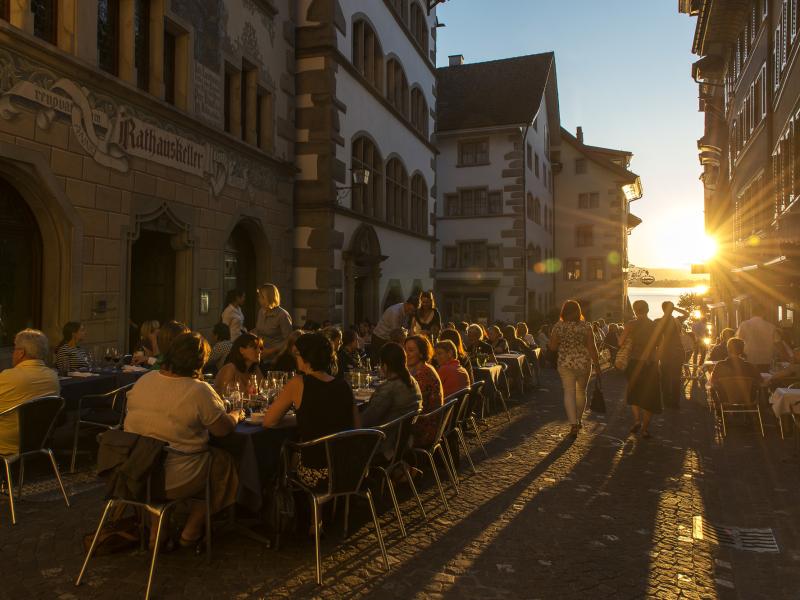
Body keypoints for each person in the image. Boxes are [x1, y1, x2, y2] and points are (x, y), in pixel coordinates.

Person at [124, 332, 242, 548]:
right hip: (177, 476)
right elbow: (222, 430)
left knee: (160, 453)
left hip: (136, 471)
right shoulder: (199, 390)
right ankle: (192, 530)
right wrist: (236, 415)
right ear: (200, 362)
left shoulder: (144, 380)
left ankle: (158, 531)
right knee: (223, 463)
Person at [262, 333, 357, 490]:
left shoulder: (298, 383)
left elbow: (269, 421)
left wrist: (297, 418)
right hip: (349, 469)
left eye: (297, 354)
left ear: (305, 357)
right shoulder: (344, 385)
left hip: (317, 473)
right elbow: (356, 427)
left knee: (279, 458)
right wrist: (302, 417)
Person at [0, 329, 60, 455]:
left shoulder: (8, 377)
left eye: (14, 349)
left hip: (7, 440)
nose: (13, 353)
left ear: (21, 352)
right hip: (37, 439)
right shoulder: (53, 377)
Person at [548, 300, 600, 437]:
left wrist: (560, 342)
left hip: (565, 363)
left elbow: (552, 347)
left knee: (569, 392)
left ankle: (573, 424)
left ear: (563, 312)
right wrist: (598, 365)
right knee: (581, 392)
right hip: (583, 362)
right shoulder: (586, 326)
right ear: (579, 311)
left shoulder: (558, 327)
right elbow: (592, 347)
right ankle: (579, 419)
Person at [361, 342, 422, 458]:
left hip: (383, 447)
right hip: (403, 443)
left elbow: (365, 422)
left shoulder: (389, 389)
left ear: (385, 366)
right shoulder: (412, 382)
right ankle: (398, 471)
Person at [619, 300, 661, 438]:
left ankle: (637, 420)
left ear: (635, 310)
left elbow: (620, 342)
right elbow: (660, 344)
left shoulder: (631, 325)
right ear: (647, 309)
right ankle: (644, 429)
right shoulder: (655, 325)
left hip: (634, 362)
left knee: (634, 392)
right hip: (650, 363)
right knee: (650, 397)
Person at [404, 335, 444, 449]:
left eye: (411, 350)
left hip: (423, 430)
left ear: (421, 354)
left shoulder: (423, 375)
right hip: (427, 424)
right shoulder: (425, 368)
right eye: (405, 350)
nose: (406, 354)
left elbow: (408, 406)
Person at [654, 301, 689, 410]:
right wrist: (675, 308)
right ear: (672, 309)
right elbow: (687, 313)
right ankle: (675, 402)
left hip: (665, 352)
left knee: (665, 378)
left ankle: (666, 401)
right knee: (676, 378)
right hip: (678, 352)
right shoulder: (677, 320)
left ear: (662, 308)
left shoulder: (658, 321)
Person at [371, 295, 421, 362]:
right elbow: (396, 333)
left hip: (388, 338)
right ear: (407, 304)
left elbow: (403, 329)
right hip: (379, 338)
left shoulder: (406, 311)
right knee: (379, 362)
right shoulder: (395, 312)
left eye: (413, 311)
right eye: (411, 310)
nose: (412, 312)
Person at [254, 283, 293, 360]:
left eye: (261, 297)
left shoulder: (282, 315)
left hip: (276, 357)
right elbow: (259, 331)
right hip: (261, 355)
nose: (259, 300)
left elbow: (289, 340)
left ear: (269, 297)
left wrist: (271, 351)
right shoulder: (261, 312)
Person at [736, 304, 777, 371]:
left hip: (749, 359)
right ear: (764, 313)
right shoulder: (771, 327)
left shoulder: (744, 325)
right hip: (766, 360)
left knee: (751, 379)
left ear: (752, 312)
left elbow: (738, 341)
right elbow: (778, 343)